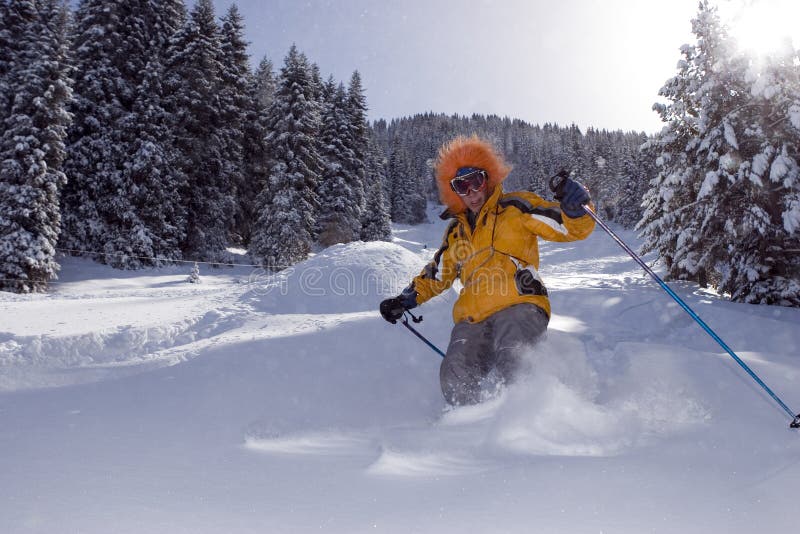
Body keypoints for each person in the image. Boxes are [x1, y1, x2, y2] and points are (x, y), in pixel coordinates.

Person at [380, 135, 595, 405]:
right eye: (461, 185)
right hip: (473, 318)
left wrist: (575, 209)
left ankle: (527, 426)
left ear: (488, 179)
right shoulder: (457, 233)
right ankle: (469, 430)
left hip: (518, 303)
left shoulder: (515, 208)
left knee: (514, 360)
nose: (471, 192)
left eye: (476, 181)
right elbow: (437, 275)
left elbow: (566, 227)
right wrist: (405, 300)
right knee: (454, 375)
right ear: (454, 191)